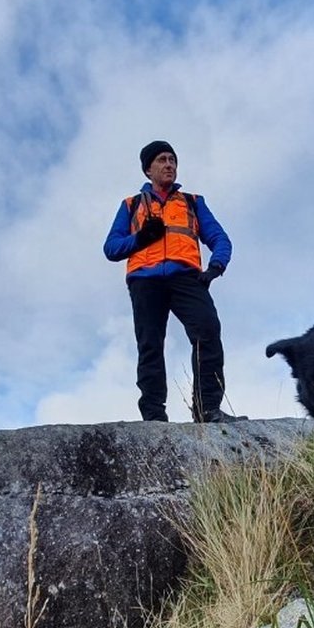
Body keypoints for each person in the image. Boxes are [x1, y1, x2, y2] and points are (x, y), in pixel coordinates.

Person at [103, 140, 246, 423]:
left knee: (208, 331)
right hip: (145, 280)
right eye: (162, 160)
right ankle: (154, 416)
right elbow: (111, 248)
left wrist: (216, 266)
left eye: (173, 160)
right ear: (148, 170)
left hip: (187, 277)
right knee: (150, 345)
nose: (169, 165)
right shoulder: (131, 205)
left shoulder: (193, 202)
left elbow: (219, 238)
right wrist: (141, 238)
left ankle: (207, 410)